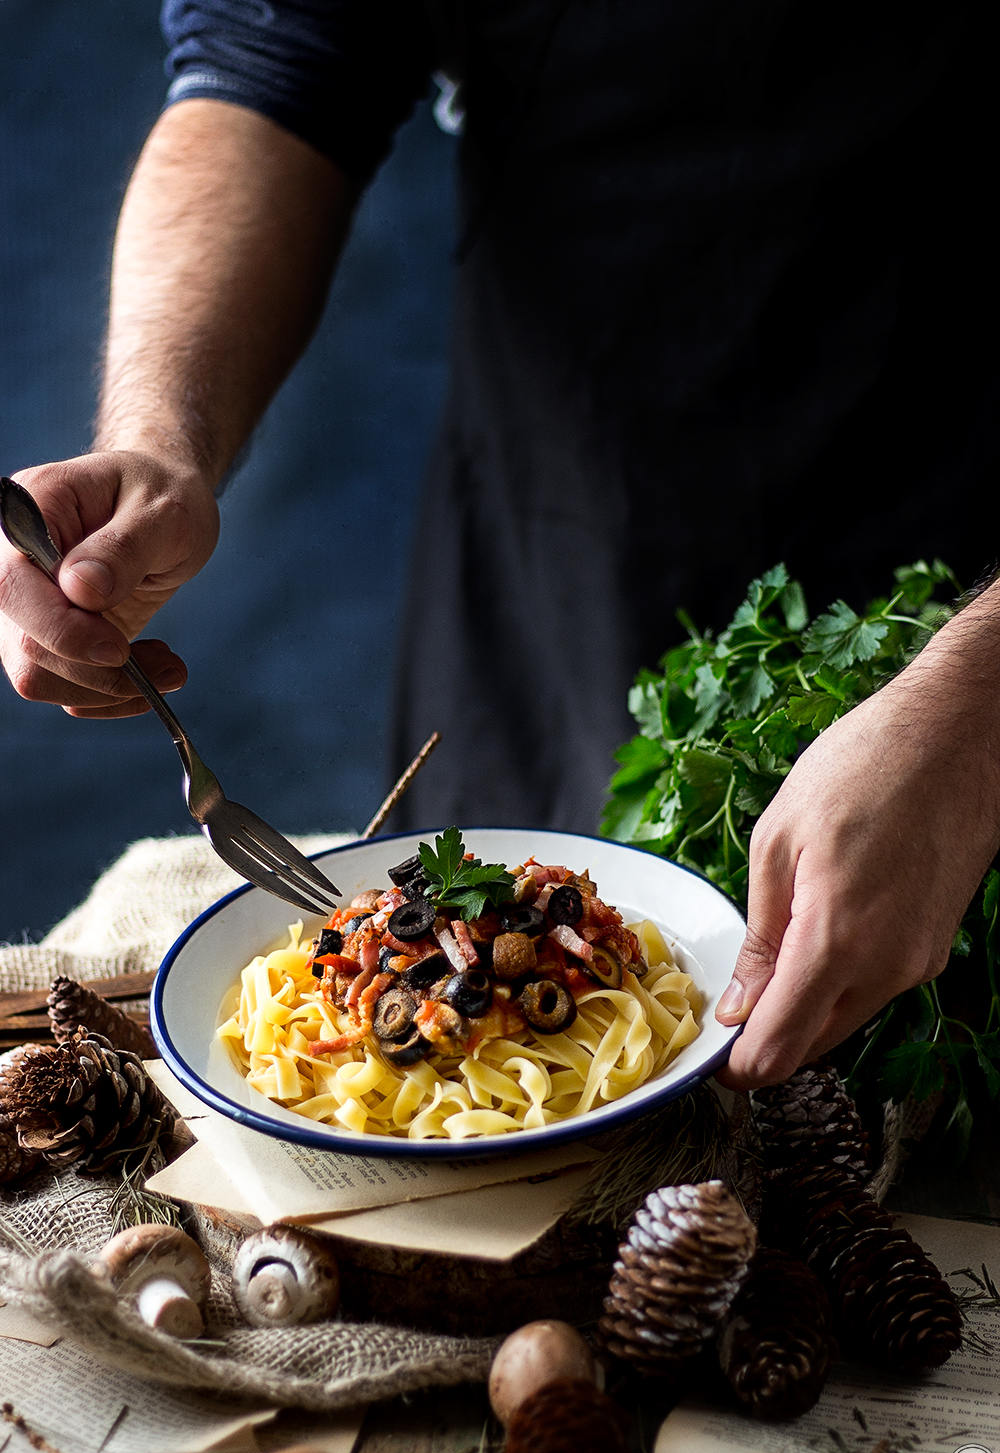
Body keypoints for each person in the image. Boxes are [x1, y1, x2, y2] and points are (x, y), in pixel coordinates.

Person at [0, 1, 996, 1090]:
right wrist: (157, 442)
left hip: (957, 596)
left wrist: (974, 717)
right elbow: (272, 65)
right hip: (546, 579)